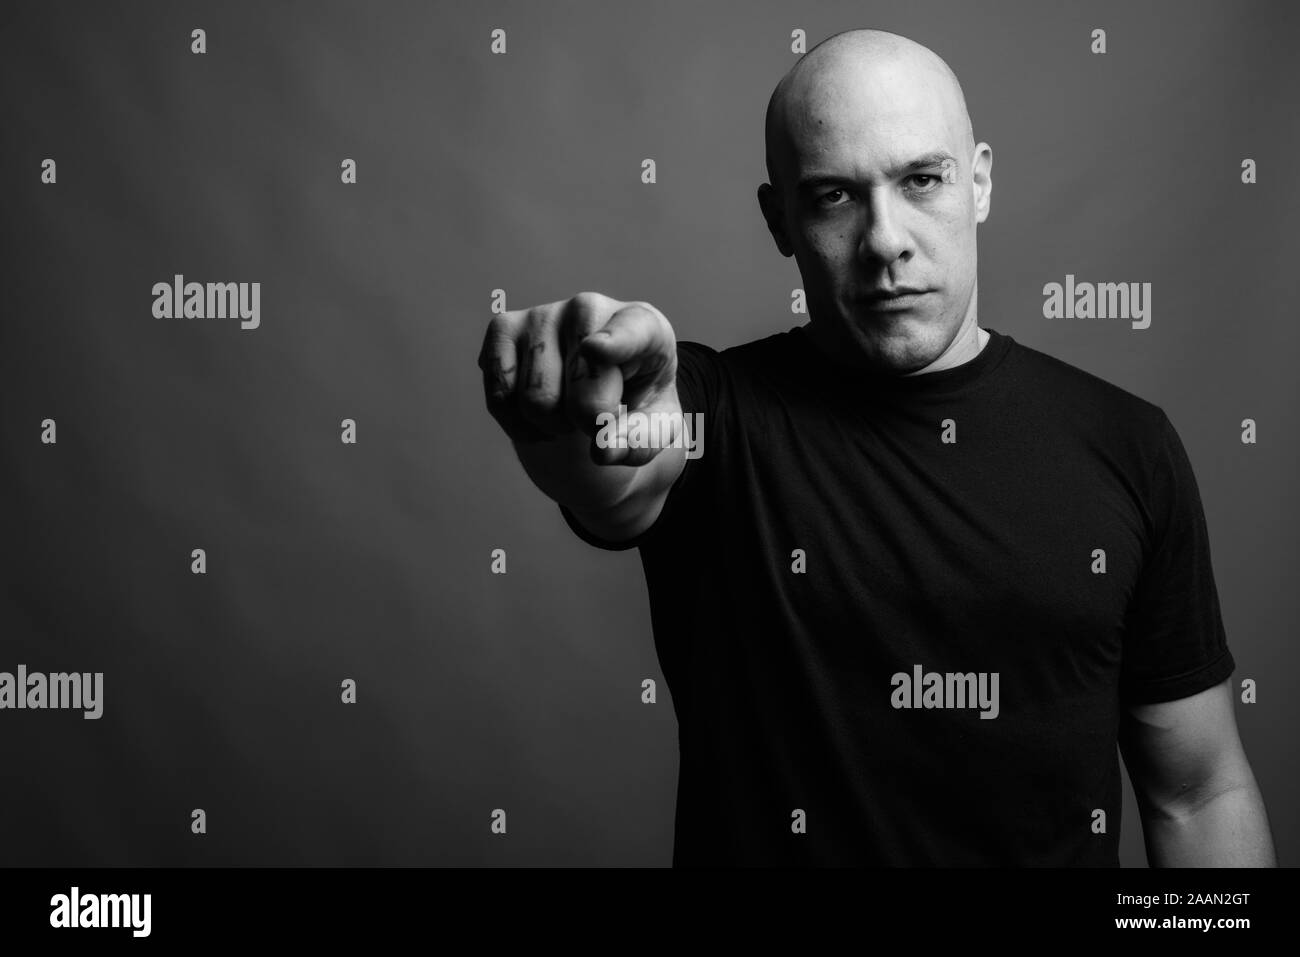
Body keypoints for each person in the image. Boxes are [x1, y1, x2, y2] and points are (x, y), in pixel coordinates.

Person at [476, 28, 1276, 866]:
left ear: (981, 184)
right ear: (779, 220)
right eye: (833, 197)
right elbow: (629, 468)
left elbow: (1198, 792)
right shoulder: (719, 415)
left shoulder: (1127, 442)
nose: (885, 239)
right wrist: (577, 419)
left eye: (922, 180)